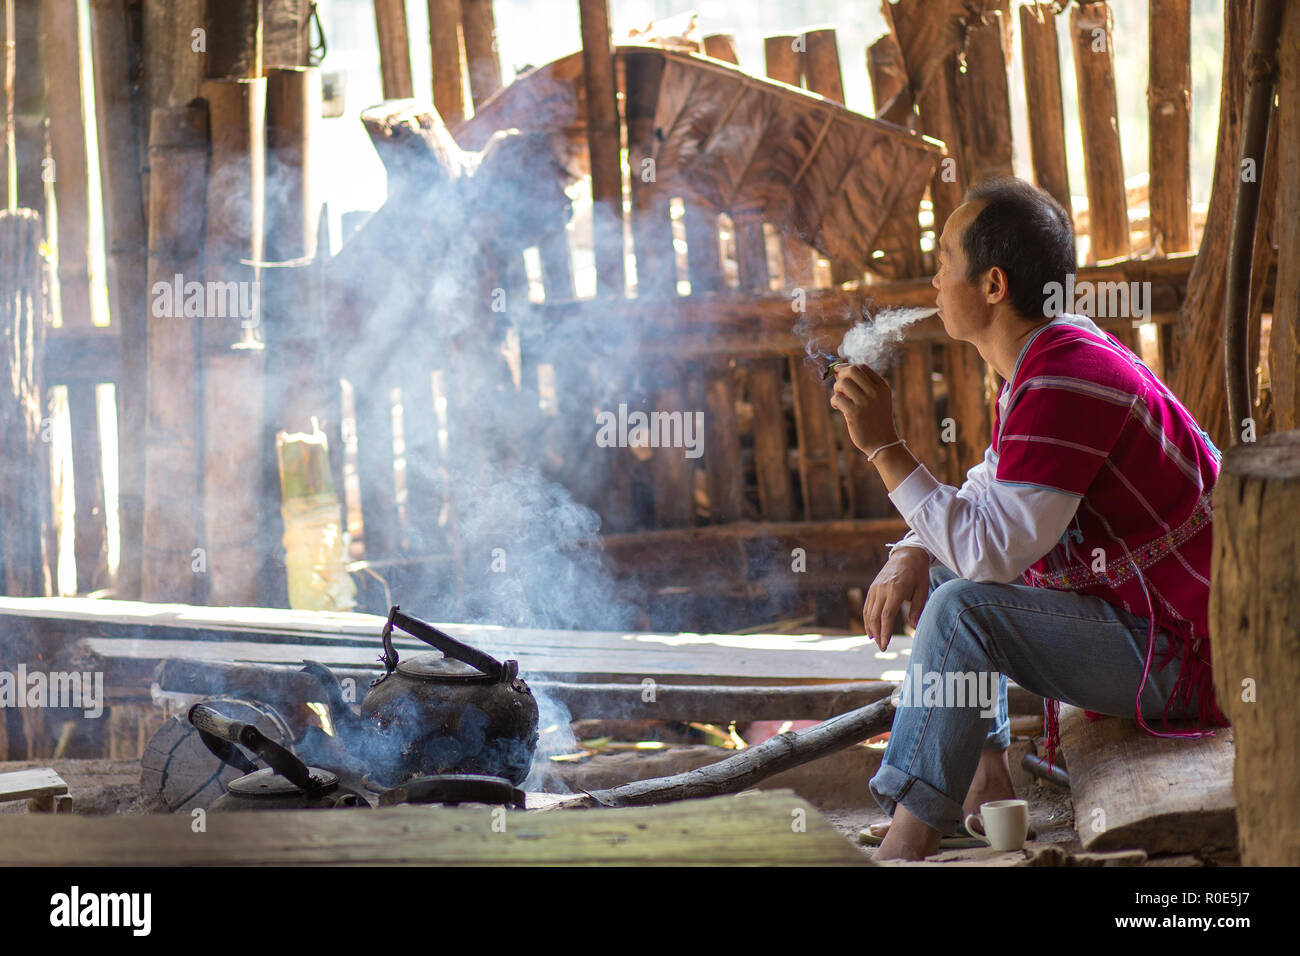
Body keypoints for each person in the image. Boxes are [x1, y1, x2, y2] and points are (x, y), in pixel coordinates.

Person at [829, 177, 1227, 861]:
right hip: (1168, 634)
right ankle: (980, 782)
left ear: (992, 285)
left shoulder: (1062, 379)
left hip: (1185, 654)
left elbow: (990, 552)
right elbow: (989, 499)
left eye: (944, 262)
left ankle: (911, 832)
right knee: (952, 572)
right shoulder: (1046, 365)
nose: (931, 280)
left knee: (963, 611)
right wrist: (912, 548)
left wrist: (883, 449)